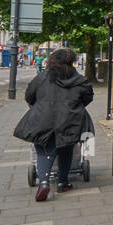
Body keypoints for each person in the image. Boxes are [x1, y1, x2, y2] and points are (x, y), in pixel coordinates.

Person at [14, 47, 95, 201]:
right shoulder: (79, 80)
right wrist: (74, 107)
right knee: (66, 148)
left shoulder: (42, 77)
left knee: (43, 149)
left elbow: (29, 95)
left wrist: (37, 106)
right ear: (72, 62)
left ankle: (43, 182)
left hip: (42, 118)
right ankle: (62, 182)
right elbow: (88, 97)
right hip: (70, 120)